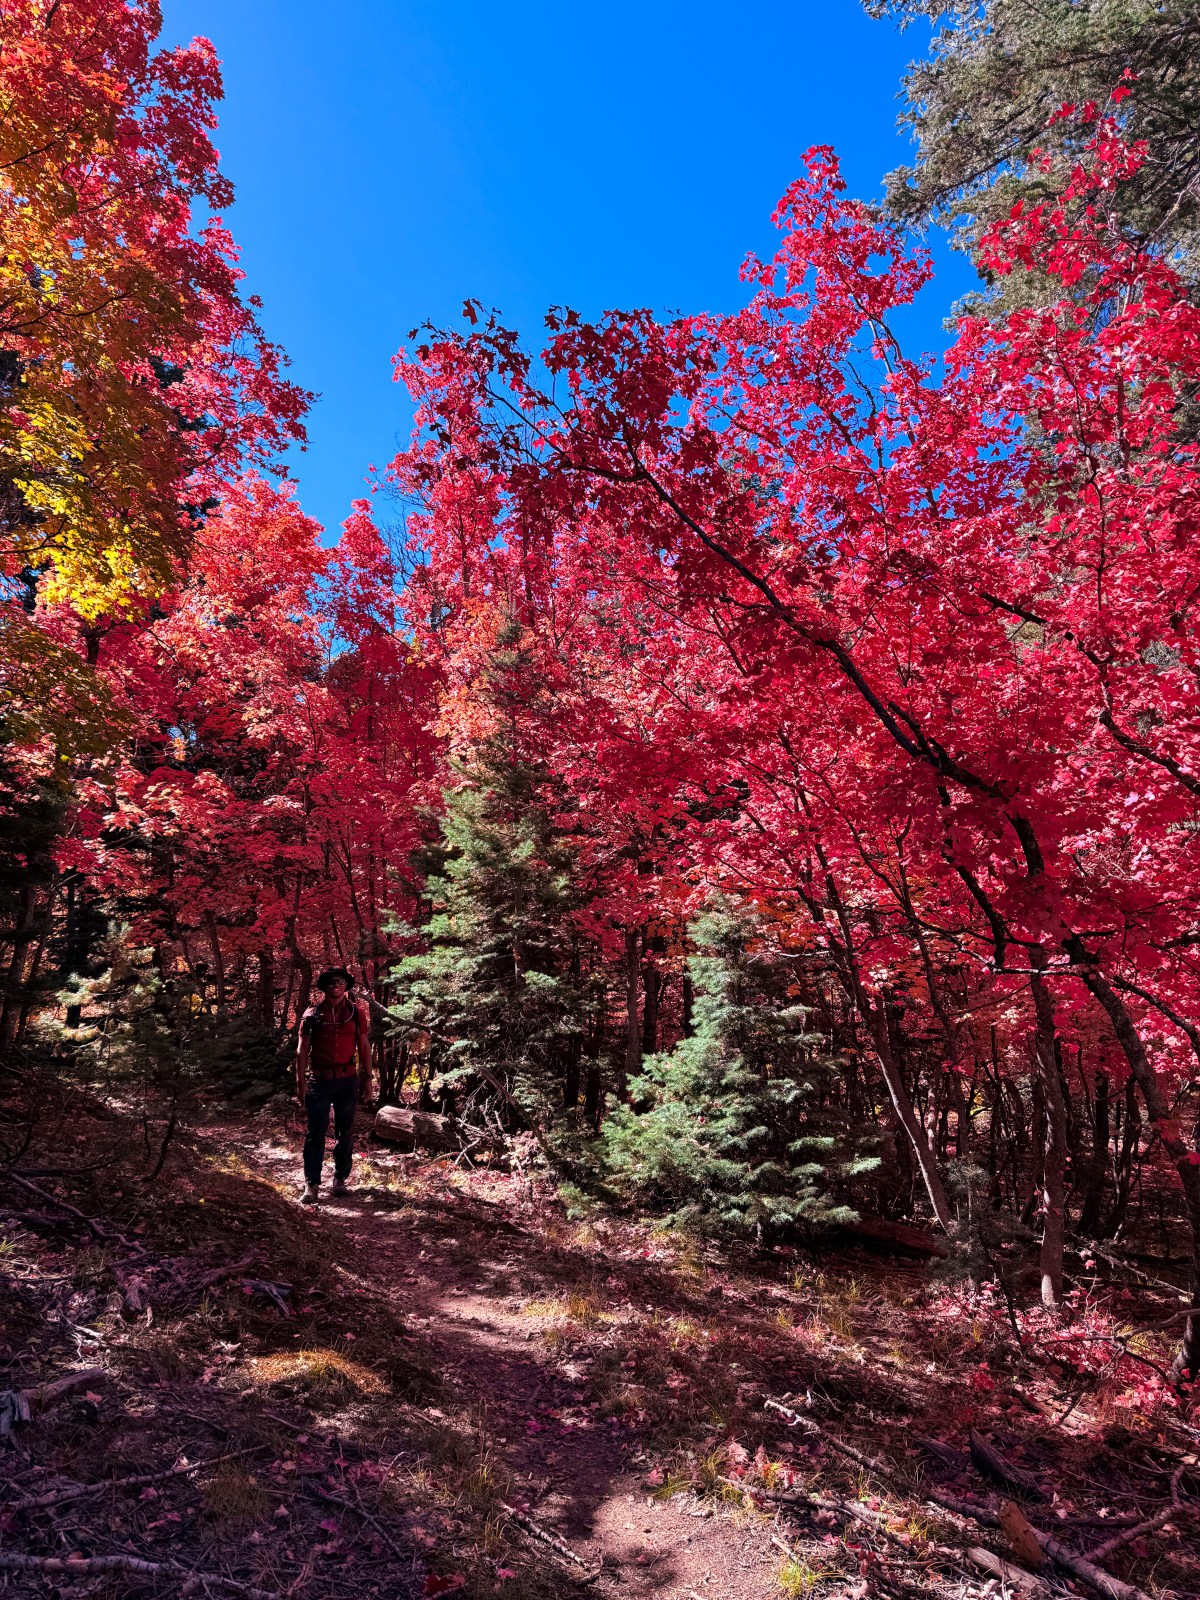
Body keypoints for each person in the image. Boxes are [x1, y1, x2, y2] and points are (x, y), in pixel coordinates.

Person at [295, 968, 372, 1203]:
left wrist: (367, 1078)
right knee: (315, 1133)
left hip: (348, 1081)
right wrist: (300, 1083)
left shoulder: (357, 1014)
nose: (336, 985)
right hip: (320, 1081)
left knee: (345, 1132)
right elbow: (301, 1050)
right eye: (331, 982)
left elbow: (364, 1046)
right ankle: (312, 1184)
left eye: (340, 982)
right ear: (325, 987)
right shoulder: (311, 1015)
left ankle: (340, 1179)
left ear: (346, 986)